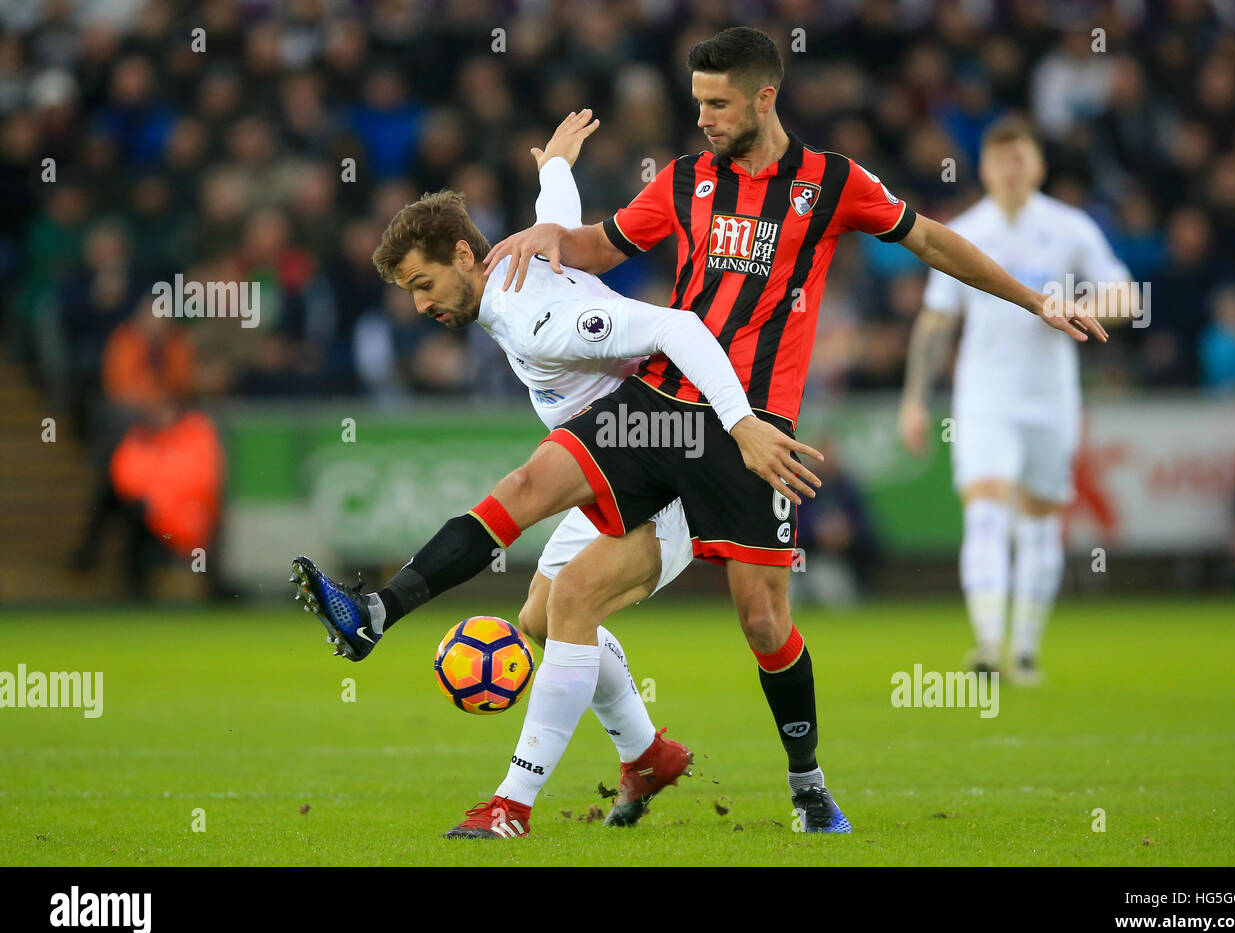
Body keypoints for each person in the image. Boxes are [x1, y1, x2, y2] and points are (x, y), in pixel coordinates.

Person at [298, 28, 1105, 837]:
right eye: (697, 104)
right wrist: (554, 208)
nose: (705, 119)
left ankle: (807, 780)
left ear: (764, 97)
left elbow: (930, 240)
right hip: (657, 402)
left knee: (763, 621)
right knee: (530, 506)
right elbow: (599, 247)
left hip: (751, 426)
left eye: (718, 104)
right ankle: (391, 630)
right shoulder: (685, 182)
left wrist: (1036, 300)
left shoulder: (829, 183)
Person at [292, 110, 812, 836]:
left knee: (562, 583)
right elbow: (556, 221)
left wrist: (740, 423)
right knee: (537, 617)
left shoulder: (535, 318)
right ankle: (647, 755)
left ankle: (510, 800)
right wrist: (556, 166)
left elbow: (675, 327)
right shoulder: (517, 263)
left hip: (673, 459)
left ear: (465, 256)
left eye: (425, 283)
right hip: (614, 458)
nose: (420, 305)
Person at [898, 116, 1133, 684]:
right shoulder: (965, 231)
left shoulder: (1071, 227)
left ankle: (1024, 651)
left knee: (1039, 520)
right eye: (1000, 161)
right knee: (985, 509)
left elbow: (1126, 295)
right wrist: (913, 400)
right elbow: (934, 321)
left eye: (1020, 159)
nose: (1010, 170)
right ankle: (986, 644)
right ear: (983, 169)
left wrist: (1084, 310)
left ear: (1038, 166)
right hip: (984, 396)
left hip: (1051, 397)